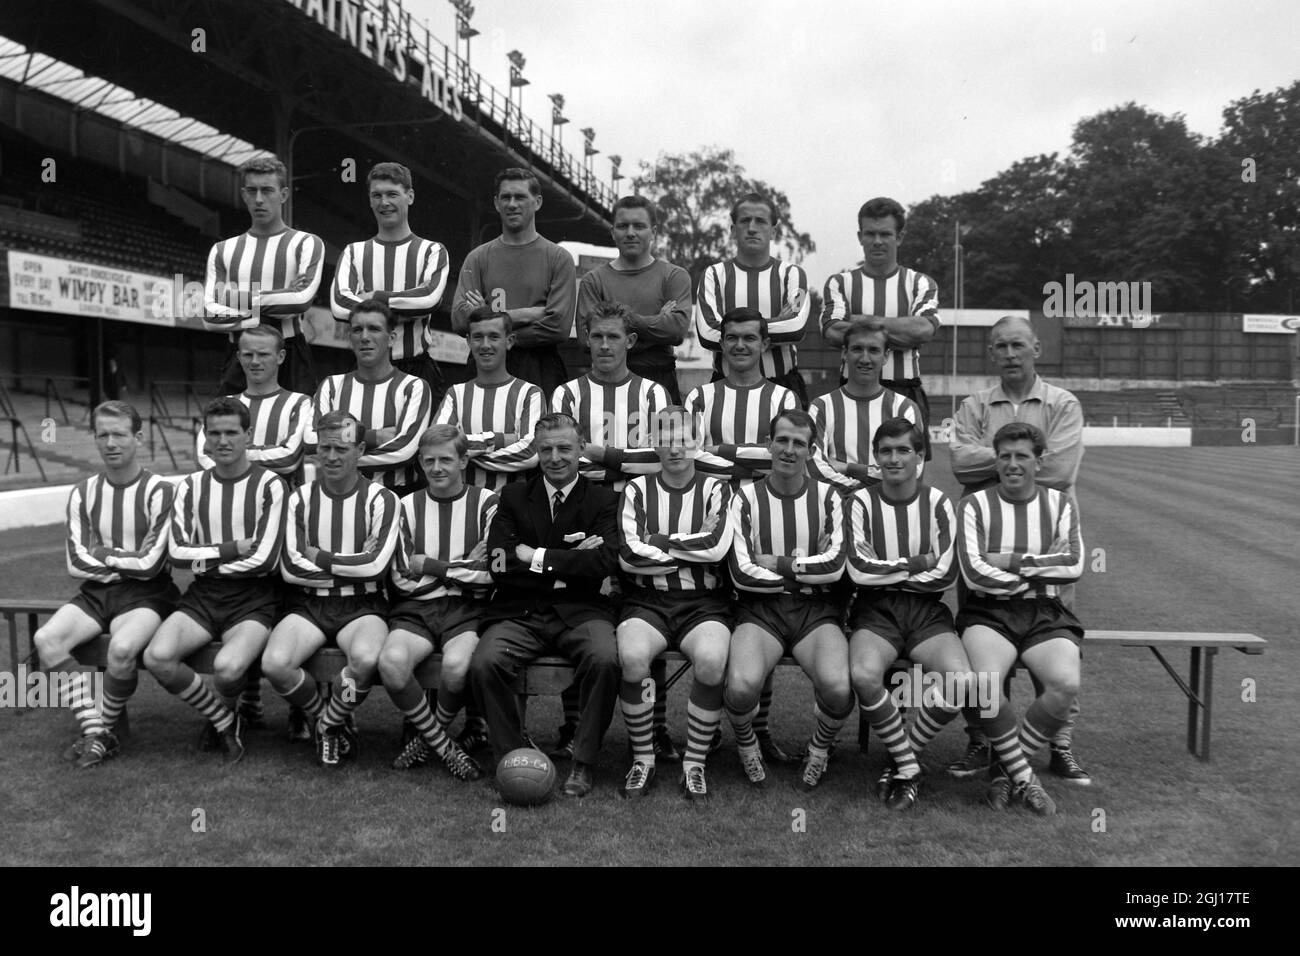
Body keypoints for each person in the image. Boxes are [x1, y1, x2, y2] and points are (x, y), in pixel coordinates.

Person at [946, 315, 1089, 784]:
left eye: (1018, 345)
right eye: (1000, 346)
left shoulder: (1063, 404)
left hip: (1048, 544)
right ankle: (981, 742)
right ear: (991, 354)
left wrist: (997, 458)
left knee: (1055, 647)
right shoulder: (972, 405)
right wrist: (1018, 453)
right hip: (981, 547)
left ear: (1036, 350)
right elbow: (959, 467)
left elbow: (1058, 471)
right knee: (985, 649)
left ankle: (1059, 744)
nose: (1009, 354)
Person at [469, 413, 621, 798]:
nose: (555, 457)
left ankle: (583, 761)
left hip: (582, 611)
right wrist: (569, 562)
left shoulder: (604, 499)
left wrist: (534, 556)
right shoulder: (515, 496)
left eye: (564, 448)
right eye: (546, 449)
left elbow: (603, 563)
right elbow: (500, 565)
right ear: (536, 451)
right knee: (486, 662)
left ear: (581, 448)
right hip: (519, 611)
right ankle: (510, 758)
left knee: (604, 659)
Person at [549, 300, 670, 761]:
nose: (604, 345)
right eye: (596, 336)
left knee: (646, 610)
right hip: (580, 509)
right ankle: (573, 724)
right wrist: (620, 456)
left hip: (637, 506)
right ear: (585, 339)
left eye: (613, 336)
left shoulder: (654, 394)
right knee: (581, 610)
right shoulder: (566, 394)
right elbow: (561, 457)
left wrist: (598, 453)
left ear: (631, 342)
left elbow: (658, 459)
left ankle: (655, 729)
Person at [33, 401, 177, 769]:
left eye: (119, 434)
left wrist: (105, 553)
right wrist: (121, 562)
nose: (111, 442)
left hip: (149, 593)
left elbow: (151, 565)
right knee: (46, 640)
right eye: (103, 435)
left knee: (123, 649)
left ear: (138, 438)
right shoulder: (83, 492)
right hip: (98, 593)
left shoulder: (160, 491)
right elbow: (76, 561)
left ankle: (96, 736)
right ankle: (98, 732)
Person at [143, 397, 286, 764]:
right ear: (205, 436)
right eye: (215, 433)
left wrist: (205, 559)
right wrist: (231, 548)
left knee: (227, 669)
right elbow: (176, 553)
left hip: (254, 598)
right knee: (158, 657)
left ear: (248, 435)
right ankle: (223, 719)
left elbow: (265, 559)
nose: (223, 441)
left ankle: (227, 713)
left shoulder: (271, 485)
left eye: (232, 433)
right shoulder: (190, 487)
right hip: (204, 596)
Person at [957, 422, 1085, 816]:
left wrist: (1011, 562)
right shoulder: (974, 504)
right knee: (985, 687)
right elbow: (973, 571)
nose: (1013, 464)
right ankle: (1020, 774)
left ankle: (1008, 769)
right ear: (996, 461)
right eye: (1005, 456)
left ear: (1039, 461)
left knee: (1065, 684)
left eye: (1022, 456)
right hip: (988, 611)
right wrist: (1040, 567)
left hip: (1045, 611)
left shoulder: (1060, 504)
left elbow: (1075, 565)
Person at [262, 411, 401, 767]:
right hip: (308, 604)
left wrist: (319, 556)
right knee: (276, 665)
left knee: (366, 660)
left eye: (342, 448)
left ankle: (330, 722)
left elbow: (376, 568)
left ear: (359, 450)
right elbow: (291, 568)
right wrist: (351, 565)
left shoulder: (382, 499)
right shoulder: (300, 498)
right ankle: (321, 713)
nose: (332, 456)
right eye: (325, 448)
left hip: (363, 605)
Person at [846, 417, 970, 811]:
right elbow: (858, 570)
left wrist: (889, 572)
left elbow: (947, 573)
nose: (894, 458)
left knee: (962, 681)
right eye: (886, 450)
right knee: (864, 674)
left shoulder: (939, 503)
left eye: (903, 450)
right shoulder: (860, 501)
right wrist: (918, 563)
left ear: (920, 455)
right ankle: (907, 765)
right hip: (876, 612)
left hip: (926, 612)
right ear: (875, 456)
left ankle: (903, 759)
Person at [195, 322, 313, 734]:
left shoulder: (299, 403)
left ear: (281, 356)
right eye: (247, 353)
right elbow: (206, 457)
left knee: (293, 604)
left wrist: (240, 459)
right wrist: (255, 457)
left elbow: (291, 453)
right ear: (238, 357)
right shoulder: (224, 403)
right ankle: (247, 702)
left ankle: (300, 708)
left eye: (264, 353)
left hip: (288, 517)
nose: (255, 361)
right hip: (233, 520)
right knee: (246, 606)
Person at [724, 409, 850, 790]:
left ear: (811, 451)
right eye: (782, 440)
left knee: (839, 688)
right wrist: (805, 569)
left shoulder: (830, 498)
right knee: (742, 685)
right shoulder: (744, 497)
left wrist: (775, 563)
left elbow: (837, 566)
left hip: (816, 611)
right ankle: (747, 743)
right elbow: (741, 572)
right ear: (768, 444)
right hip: (761, 610)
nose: (789, 450)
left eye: (799, 443)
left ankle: (819, 749)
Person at [616, 407, 733, 802]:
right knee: (632, 659)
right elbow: (629, 555)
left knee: (713, 660)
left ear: (697, 442)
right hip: (645, 601)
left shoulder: (717, 488)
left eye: (683, 438)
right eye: (666, 439)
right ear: (654, 442)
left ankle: (694, 763)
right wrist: (689, 547)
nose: (675, 448)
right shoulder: (636, 488)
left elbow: (716, 549)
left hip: (703, 603)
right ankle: (644, 757)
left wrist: (661, 541)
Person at [381, 425, 493, 781]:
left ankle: (425, 742)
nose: (437, 468)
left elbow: (492, 573)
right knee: (392, 663)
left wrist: (431, 564)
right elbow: (401, 576)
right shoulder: (404, 506)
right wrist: (463, 566)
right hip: (416, 610)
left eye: (446, 459)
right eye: (428, 461)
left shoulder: (489, 502)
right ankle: (443, 745)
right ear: (420, 464)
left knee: (457, 668)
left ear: (463, 460)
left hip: (467, 610)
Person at [819, 197, 941, 458]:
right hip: (851, 390)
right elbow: (832, 332)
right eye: (870, 234)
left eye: (885, 234)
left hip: (904, 388)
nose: (877, 241)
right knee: (844, 470)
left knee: (907, 480)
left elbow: (924, 330)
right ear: (860, 236)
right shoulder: (840, 283)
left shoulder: (919, 283)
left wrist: (859, 321)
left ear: (899, 237)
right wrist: (900, 329)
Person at [331, 162, 454, 408]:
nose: (384, 202)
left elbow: (427, 299)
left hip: (416, 368)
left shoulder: (432, 251)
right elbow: (340, 306)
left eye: (392, 194)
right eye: (376, 195)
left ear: (410, 196)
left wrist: (373, 297)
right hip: (363, 370)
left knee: (425, 445)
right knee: (357, 441)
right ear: (369, 200)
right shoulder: (354, 252)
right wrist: (403, 304)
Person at [451, 168, 576, 397]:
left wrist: (487, 320)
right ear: (497, 203)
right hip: (485, 365)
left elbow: (558, 327)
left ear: (537, 202)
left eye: (520, 197)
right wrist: (528, 314)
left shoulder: (558, 257)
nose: (512, 204)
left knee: (539, 432)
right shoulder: (478, 257)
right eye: (505, 197)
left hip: (539, 365)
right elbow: (459, 319)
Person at [204, 155, 324, 395]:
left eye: (267, 190)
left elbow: (300, 301)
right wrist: (283, 295)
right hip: (240, 354)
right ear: (244, 194)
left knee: (299, 431)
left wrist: (232, 298)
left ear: (284, 194)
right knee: (229, 429)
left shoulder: (306, 243)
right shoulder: (222, 250)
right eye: (252, 190)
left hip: (290, 355)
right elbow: (209, 316)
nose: (259, 199)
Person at [694, 193, 811, 407]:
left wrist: (733, 331)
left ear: (773, 231)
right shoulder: (713, 275)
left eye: (761, 221)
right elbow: (707, 334)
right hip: (724, 385)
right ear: (732, 230)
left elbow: (796, 328)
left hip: (783, 383)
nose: (752, 227)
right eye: (745, 220)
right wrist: (775, 321)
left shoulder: (793, 275)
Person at [577, 195, 692, 402]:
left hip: (660, 378)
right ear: (613, 232)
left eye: (639, 226)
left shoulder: (674, 276)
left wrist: (622, 323)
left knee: (663, 436)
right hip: (606, 383)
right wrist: (657, 324)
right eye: (623, 226)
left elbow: (676, 331)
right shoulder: (593, 281)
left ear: (653, 232)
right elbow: (586, 341)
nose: (630, 233)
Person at [312, 299, 432, 495]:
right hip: (337, 494)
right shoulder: (331, 385)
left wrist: (337, 454)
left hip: (396, 493)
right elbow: (312, 440)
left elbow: (404, 452)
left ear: (392, 338)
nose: (365, 337)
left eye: (374, 329)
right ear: (349, 337)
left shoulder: (414, 387)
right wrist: (374, 436)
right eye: (357, 330)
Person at [433, 308, 543, 493]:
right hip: (463, 505)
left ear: (509, 341)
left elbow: (530, 455)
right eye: (478, 337)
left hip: (510, 509)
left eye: (493, 337)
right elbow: (436, 446)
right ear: (468, 341)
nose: (485, 345)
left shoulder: (530, 393)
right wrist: (498, 440)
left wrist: (460, 455)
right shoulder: (455, 394)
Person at [809, 320, 921, 489]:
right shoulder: (822, 406)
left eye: (874, 350)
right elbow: (814, 467)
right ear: (845, 353)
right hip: (839, 508)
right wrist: (860, 495)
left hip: (887, 511)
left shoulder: (905, 407)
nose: (865, 359)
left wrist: (849, 468)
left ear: (885, 356)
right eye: (857, 349)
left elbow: (913, 469)